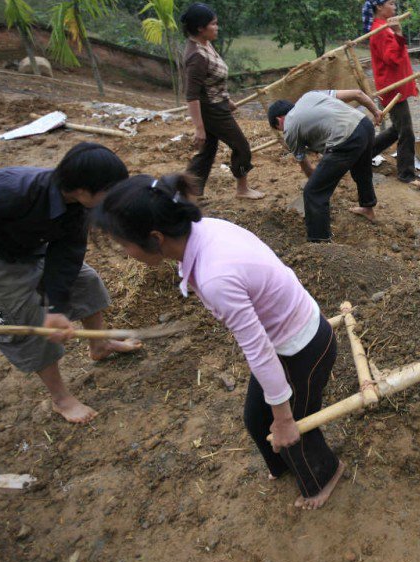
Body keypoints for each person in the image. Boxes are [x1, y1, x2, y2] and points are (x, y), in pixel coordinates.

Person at [94, 174, 345, 509]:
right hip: (284, 339)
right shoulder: (202, 230)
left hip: (304, 347)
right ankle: (285, 464)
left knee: (295, 426)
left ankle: (324, 477)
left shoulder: (216, 277)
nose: (125, 252)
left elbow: (257, 349)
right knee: (257, 419)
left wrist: (284, 419)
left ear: (155, 238)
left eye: (124, 244)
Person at [0, 143, 139, 424]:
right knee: (26, 316)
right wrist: (47, 312)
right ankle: (61, 398)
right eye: (109, 193)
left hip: (28, 243)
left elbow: (66, 256)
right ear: (81, 189)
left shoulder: (77, 206)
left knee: (84, 281)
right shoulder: (2, 196)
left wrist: (56, 307)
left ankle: (99, 346)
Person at [267, 89, 383, 242]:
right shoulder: (310, 95)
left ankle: (319, 242)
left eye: (279, 129)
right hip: (364, 125)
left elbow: (304, 163)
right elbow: (358, 94)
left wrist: (316, 182)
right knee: (362, 170)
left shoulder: (289, 128)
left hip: (346, 138)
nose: (282, 131)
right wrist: (376, 112)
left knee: (313, 192)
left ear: (279, 120)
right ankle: (368, 208)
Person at [180, 2, 264, 200]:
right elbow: (192, 95)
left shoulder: (204, 44)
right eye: (214, 24)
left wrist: (227, 99)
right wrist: (199, 127)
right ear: (201, 28)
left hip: (217, 104)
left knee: (207, 150)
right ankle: (242, 189)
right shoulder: (196, 56)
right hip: (212, 110)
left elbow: (211, 82)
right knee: (241, 147)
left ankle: (188, 192)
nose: (217, 27)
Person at [362, 0, 419, 183]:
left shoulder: (382, 28)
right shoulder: (381, 31)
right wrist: (398, 33)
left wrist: (396, 32)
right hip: (392, 88)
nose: (395, 8)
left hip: (396, 87)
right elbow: (393, 59)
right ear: (379, 7)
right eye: (391, 4)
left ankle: (362, 155)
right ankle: (406, 174)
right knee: (406, 132)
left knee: (397, 129)